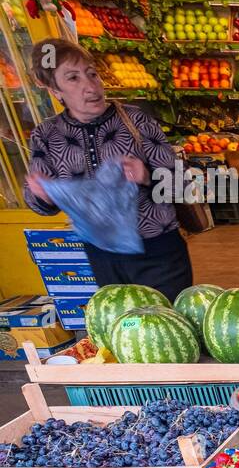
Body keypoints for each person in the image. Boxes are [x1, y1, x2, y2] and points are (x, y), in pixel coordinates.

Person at [23, 39, 194, 300]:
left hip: (159, 253)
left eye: (92, 74)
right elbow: (39, 205)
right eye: (73, 78)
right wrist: (42, 194)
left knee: (168, 328)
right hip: (102, 257)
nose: (89, 86)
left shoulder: (137, 120)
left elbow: (181, 186)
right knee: (120, 330)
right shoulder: (47, 136)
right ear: (54, 90)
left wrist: (147, 175)